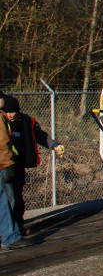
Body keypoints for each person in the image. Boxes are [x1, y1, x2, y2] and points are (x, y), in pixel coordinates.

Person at [1, 96, 65, 237]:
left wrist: (54, 145)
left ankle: (17, 226)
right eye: (7, 112)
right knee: (8, 197)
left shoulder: (27, 122)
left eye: (12, 111)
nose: (10, 114)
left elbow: (41, 136)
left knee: (16, 197)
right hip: (5, 165)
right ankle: (9, 231)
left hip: (18, 166)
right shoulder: (2, 123)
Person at [0, 95, 25, 250]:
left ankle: (10, 235)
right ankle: (10, 236)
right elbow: (3, 144)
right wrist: (8, 164)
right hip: (2, 165)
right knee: (4, 201)